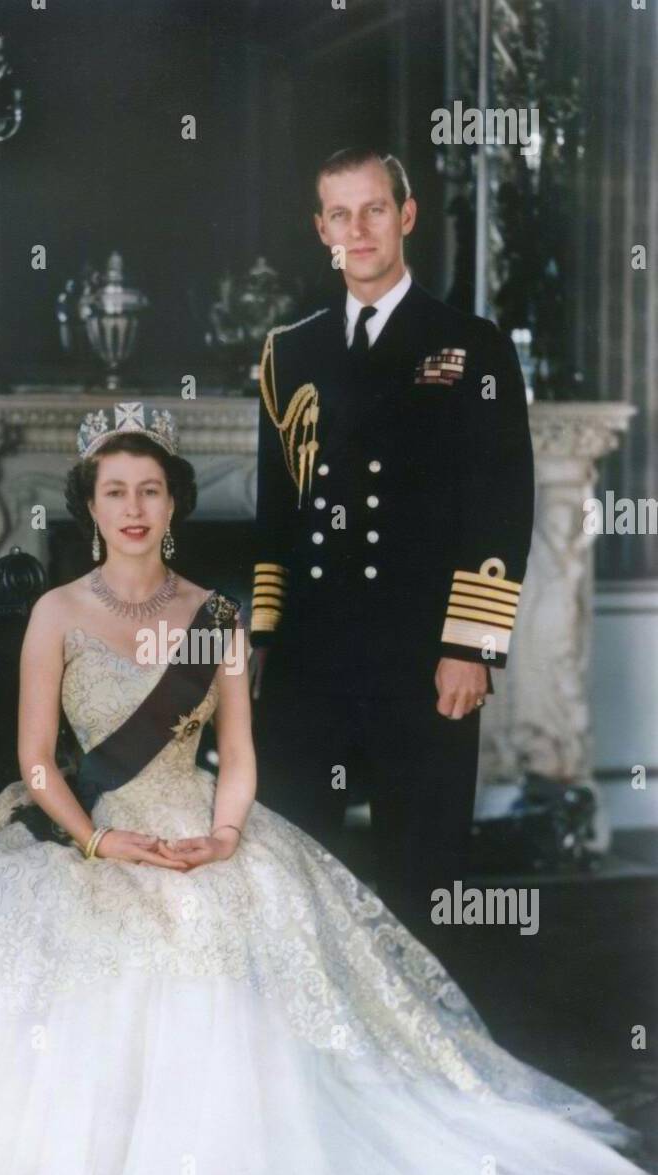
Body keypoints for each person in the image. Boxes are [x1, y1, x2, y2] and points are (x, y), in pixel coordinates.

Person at [0, 402, 647, 1175]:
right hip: (87, 827)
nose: (133, 508)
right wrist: (98, 839)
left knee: (238, 923)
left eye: (150, 490)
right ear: (89, 504)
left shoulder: (216, 615)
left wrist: (226, 835)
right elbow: (35, 762)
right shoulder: (55, 612)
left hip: (199, 823)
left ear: (173, 503)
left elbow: (236, 756)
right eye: (114, 491)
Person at [250, 148, 534, 958]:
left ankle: (423, 1024)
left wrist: (469, 646)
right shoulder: (289, 351)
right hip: (309, 654)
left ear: (405, 215)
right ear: (321, 231)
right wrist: (263, 635)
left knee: (423, 873)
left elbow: (500, 507)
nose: (359, 228)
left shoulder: (471, 346)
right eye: (340, 214)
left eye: (374, 209)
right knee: (293, 861)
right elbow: (277, 510)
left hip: (421, 653)